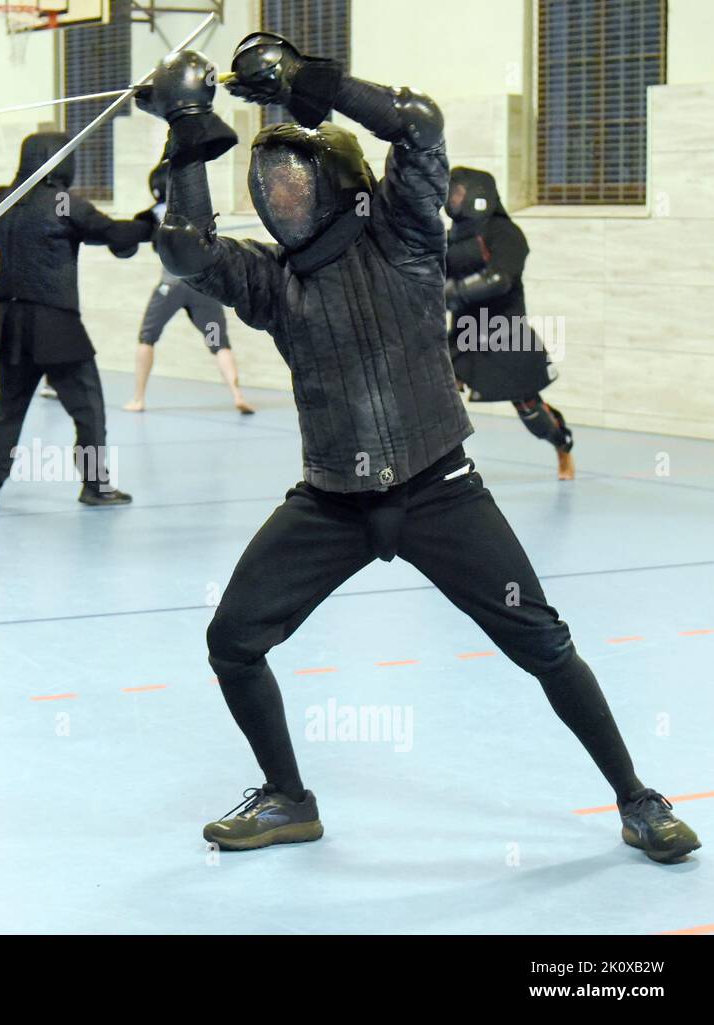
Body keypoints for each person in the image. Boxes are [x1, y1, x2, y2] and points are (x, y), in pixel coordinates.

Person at [138, 36, 700, 863]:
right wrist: (189, 124)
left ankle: (637, 797)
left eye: (294, 182)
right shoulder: (272, 280)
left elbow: (419, 125)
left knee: (544, 643)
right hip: (332, 500)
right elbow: (185, 248)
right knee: (234, 639)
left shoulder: (403, 235)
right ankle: (289, 798)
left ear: (338, 183)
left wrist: (300, 79)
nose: (281, 197)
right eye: (270, 187)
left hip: (442, 489)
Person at [0, 132, 152, 509]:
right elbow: (115, 233)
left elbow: (98, 237)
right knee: (88, 409)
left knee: (9, 409)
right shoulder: (63, 203)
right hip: (56, 326)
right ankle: (95, 485)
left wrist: (127, 232)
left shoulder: (5, 201)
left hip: (13, 326)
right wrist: (154, 221)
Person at [446, 167, 574, 479]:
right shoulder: (452, 236)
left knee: (529, 408)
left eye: (459, 192)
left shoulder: (506, 232)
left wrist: (453, 292)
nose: (453, 199)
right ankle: (441, 469)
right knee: (436, 390)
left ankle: (561, 444)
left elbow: (500, 279)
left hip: (505, 331)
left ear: (477, 193)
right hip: (465, 330)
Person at [124, 158, 253, 415]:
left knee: (147, 338)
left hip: (171, 287)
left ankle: (138, 398)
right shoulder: (199, 212)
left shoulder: (154, 215)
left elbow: (134, 235)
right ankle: (237, 394)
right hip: (205, 289)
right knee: (218, 342)